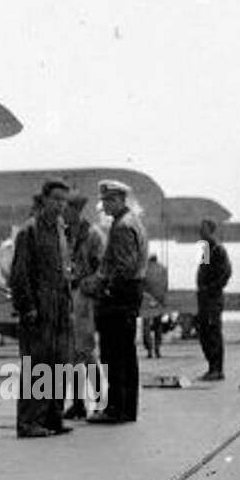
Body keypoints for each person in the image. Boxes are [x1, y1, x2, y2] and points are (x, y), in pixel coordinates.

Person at [8, 178, 74, 438]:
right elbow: (19, 274)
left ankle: (52, 418)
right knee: (37, 365)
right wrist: (27, 307)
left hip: (59, 306)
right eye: (56, 199)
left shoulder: (59, 230)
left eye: (63, 201)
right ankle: (28, 422)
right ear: (44, 199)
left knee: (59, 362)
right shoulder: (29, 231)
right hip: (39, 306)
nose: (60, 205)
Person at [82, 180, 148, 421]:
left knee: (114, 354)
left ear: (121, 199)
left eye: (110, 200)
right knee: (126, 356)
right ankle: (126, 409)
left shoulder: (121, 227)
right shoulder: (133, 222)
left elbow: (124, 268)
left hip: (119, 297)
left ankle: (115, 410)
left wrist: (103, 288)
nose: (106, 205)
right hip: (130, 295)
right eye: (105, 201)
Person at [63, 193, 101, 418]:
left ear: (76, 210)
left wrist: (89, 285)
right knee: (72, 354)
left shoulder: (92, 235)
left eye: (67, 208)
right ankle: (78, 403)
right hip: (69, 296)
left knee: (85, 352)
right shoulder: (64, 234)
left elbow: (101, 267)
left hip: (84, 298)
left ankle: (97, 400)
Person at [196, 218, 232, 378]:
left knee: (213, 332)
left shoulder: (218, 249)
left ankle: (217, 369)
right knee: (204, 332)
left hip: (212, 299)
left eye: (203, 229)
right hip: (204, 298)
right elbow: (203, 272)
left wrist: (211, 289)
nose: (200, 231)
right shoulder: (207, 249)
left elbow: (226, 272)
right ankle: (212, 367)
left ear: (210, 230)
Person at [141, 254, 169, 358]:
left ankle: (149, 349)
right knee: (158, 326)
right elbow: (165, 285)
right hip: (159, 300)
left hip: (147, 301)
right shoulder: (163, 269)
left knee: (146, 326)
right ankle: (157, 349)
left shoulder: (144, 269)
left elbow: (141, 285)